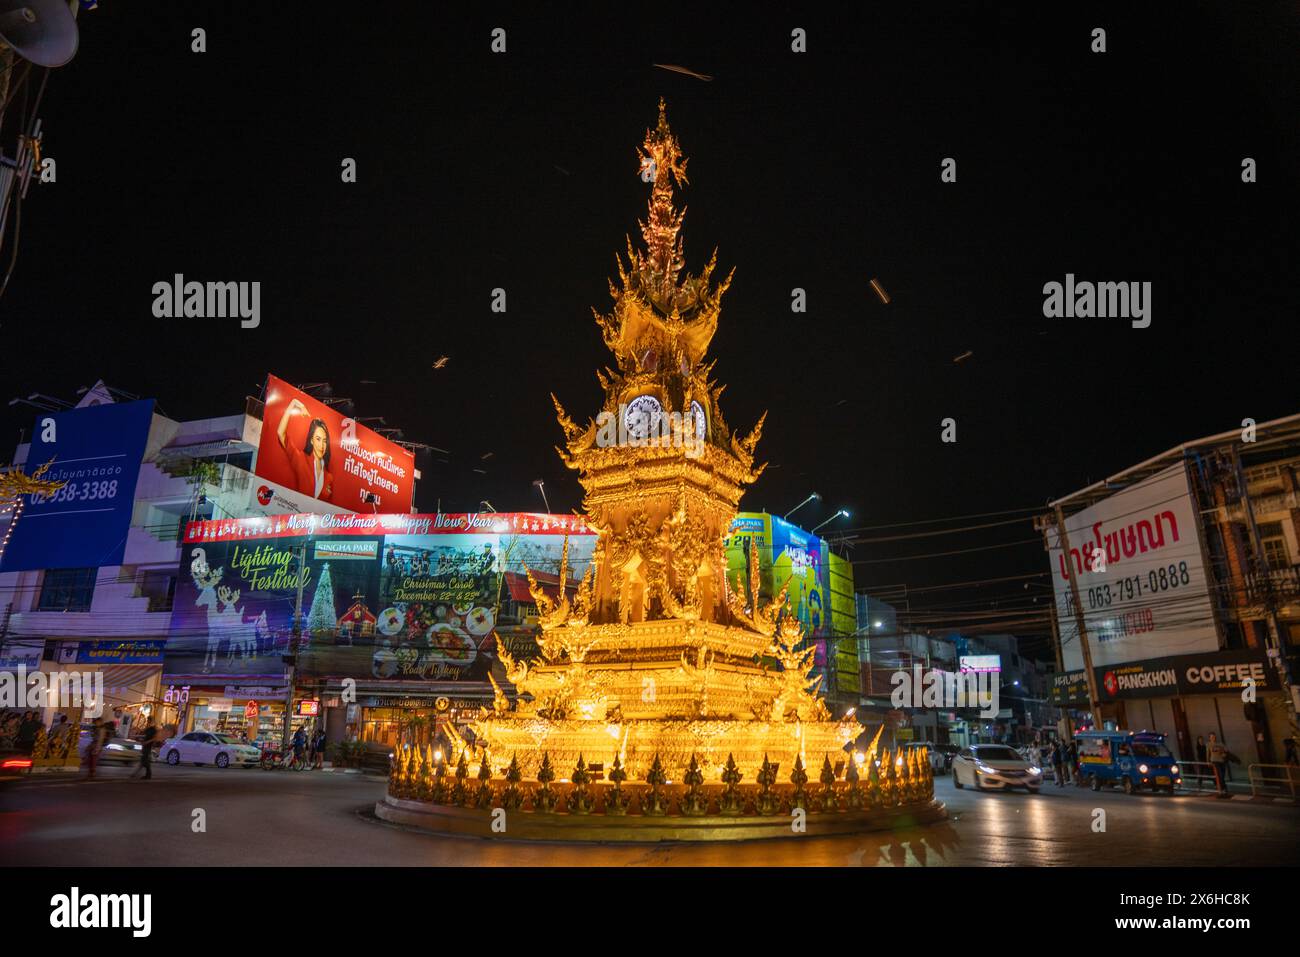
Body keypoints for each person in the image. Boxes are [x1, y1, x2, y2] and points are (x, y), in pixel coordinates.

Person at [276, 397, 334, 501]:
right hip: (296, 514)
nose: (322, 445)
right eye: (318, 439)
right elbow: (281, 433)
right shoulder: (301, 460)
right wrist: (293, 403)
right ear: (311, 440)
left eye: (324, 441)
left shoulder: (329, 477)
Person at [1206, 732, 1231, 797]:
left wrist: (1224, 753)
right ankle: (1223, 788)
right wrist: (1208, 761)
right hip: (1214, 761)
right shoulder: (1208, 744)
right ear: (1209, 738)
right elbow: (1208, 753)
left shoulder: (1220, 744)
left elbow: (1226, 750)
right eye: (1211, 737)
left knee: (1222, 775)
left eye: (1213, 737)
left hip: (1221, 761)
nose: (1213, 738)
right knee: (1219, 774)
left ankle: (1222, 788)